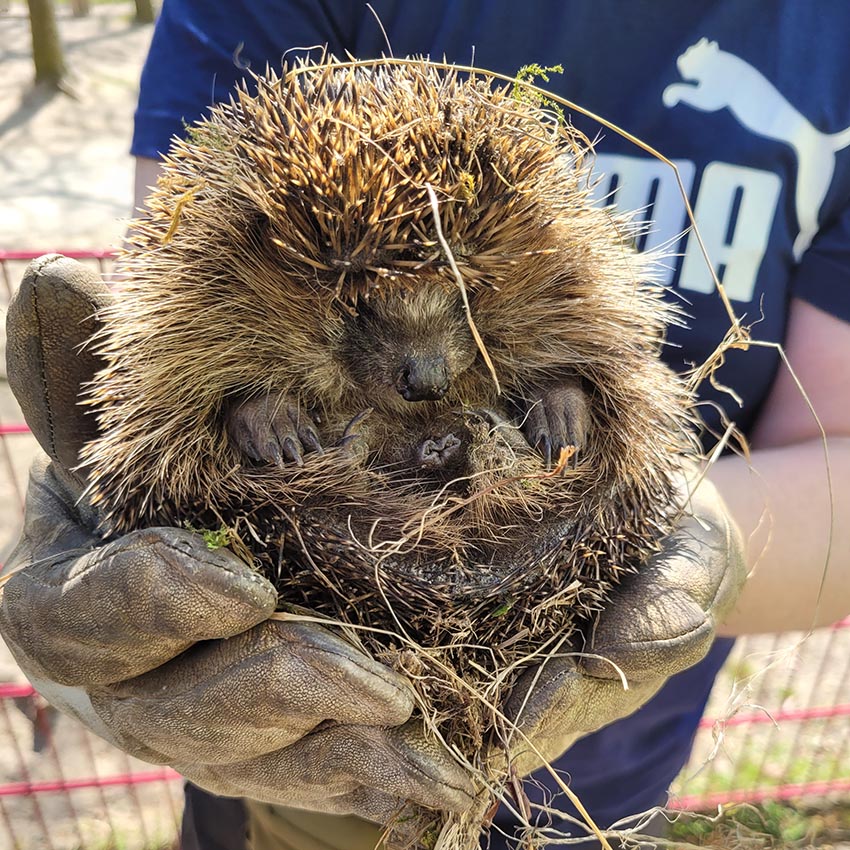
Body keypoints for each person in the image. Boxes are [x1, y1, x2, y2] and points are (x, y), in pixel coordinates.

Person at [2, 1, 849, 849]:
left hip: (600, 784)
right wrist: (239, 417)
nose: (426, 371)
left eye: (463, 308)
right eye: (363, 313)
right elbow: (170, 326)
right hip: (299, 776)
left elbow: (817, 447)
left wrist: (703, 525)